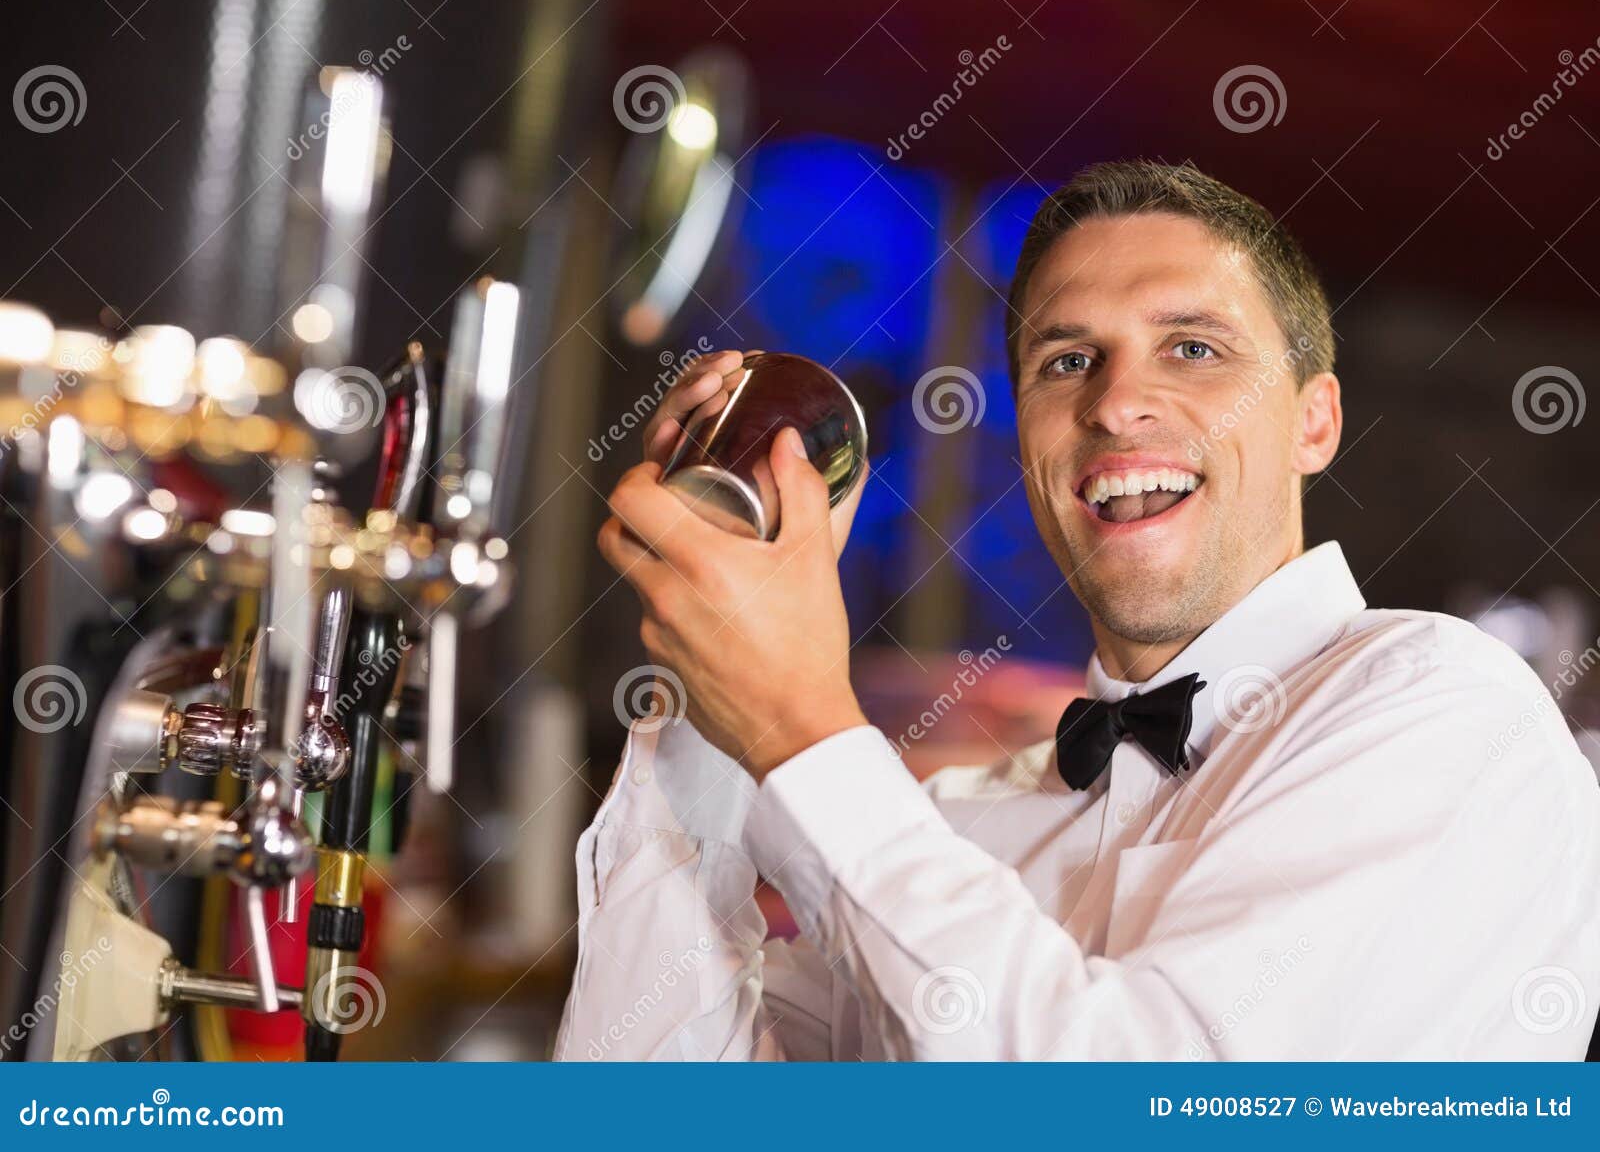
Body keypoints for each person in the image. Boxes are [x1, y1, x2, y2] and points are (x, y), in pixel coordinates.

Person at [558, 160, 1600, 1060]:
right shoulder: (950, 825)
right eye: (1066, 361)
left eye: (1191, 347)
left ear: (1313, 422)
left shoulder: (1443, 706)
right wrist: (708, 688)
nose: (1111, 403)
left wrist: (798, 725)